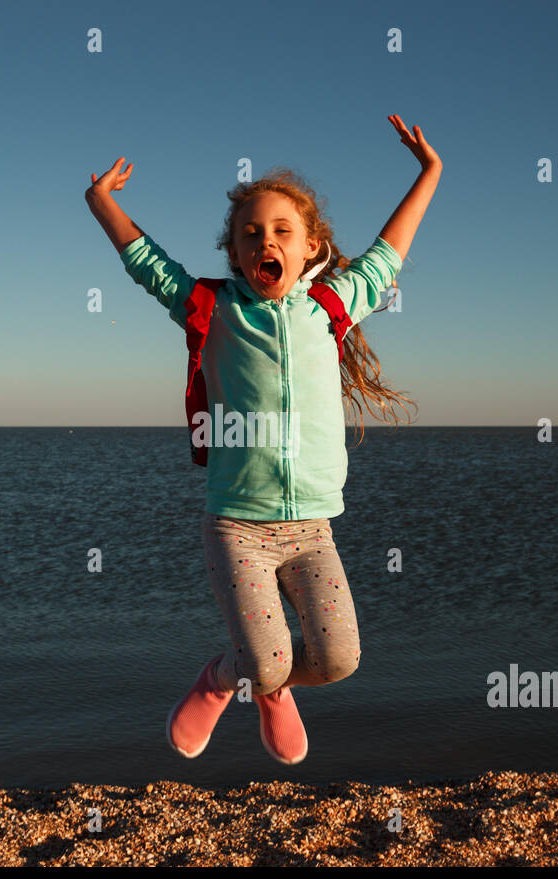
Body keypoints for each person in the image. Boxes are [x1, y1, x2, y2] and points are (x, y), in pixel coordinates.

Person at [85, 115, 442, 764]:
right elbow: (146, 262)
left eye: (282, 231)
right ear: (236, 254)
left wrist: (430, 173)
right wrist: (102, 200)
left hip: (313, 528)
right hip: (237, 526)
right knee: (266, 658)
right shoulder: (211, 308)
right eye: (251, 235)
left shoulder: (333, 307)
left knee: (337, 660)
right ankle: (230, 679)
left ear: (310, 248)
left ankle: (269, 685)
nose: (265, 242)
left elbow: (391, 250)